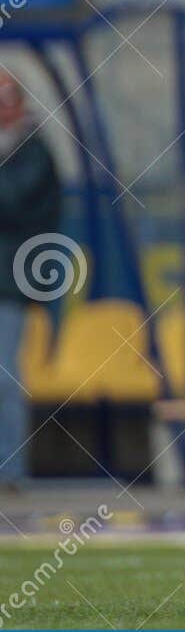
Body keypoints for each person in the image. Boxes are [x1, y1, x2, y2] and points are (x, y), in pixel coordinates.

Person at [0, 70, 62, 493]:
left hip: (8, 283)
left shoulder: (33, 151)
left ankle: (11, 473)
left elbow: (11, 201)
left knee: (4, 377)